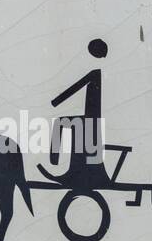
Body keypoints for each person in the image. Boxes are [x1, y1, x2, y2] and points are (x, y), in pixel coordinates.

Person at [46, 39, 108, 183]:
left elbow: (73, 89)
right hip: (91, 118)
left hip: (90, 119)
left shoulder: (94, 73)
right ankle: (56, 162)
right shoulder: (98, 73)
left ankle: (54, 161)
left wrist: (55, 102)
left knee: (59, 123)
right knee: (61, 123)